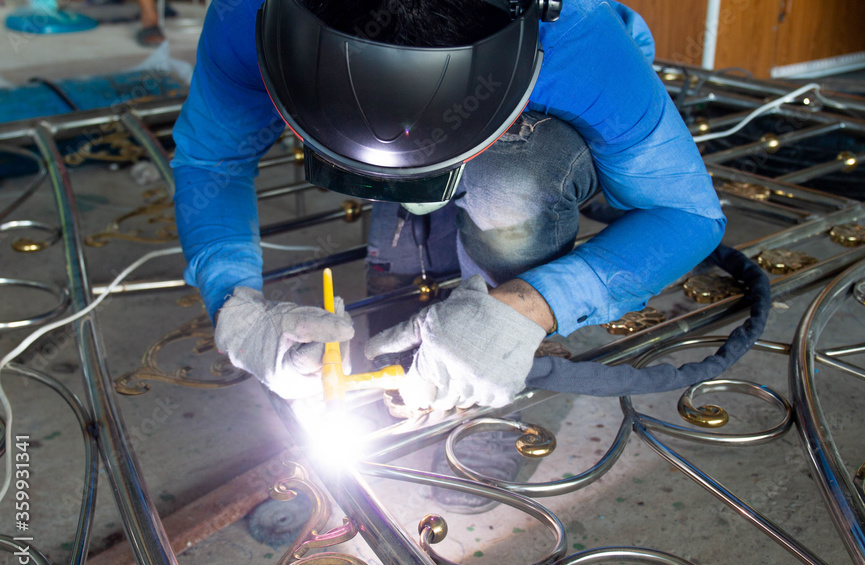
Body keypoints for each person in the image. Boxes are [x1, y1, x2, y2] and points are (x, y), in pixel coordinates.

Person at [173, 0, 724, 416]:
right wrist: (235, 306)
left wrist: (528, 309)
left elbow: (687, 214)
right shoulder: (249, 16)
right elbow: (212, 162)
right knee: (411, 205)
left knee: (513, 179)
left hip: (540, 125)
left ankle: (487, 367)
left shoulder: (575, 39)